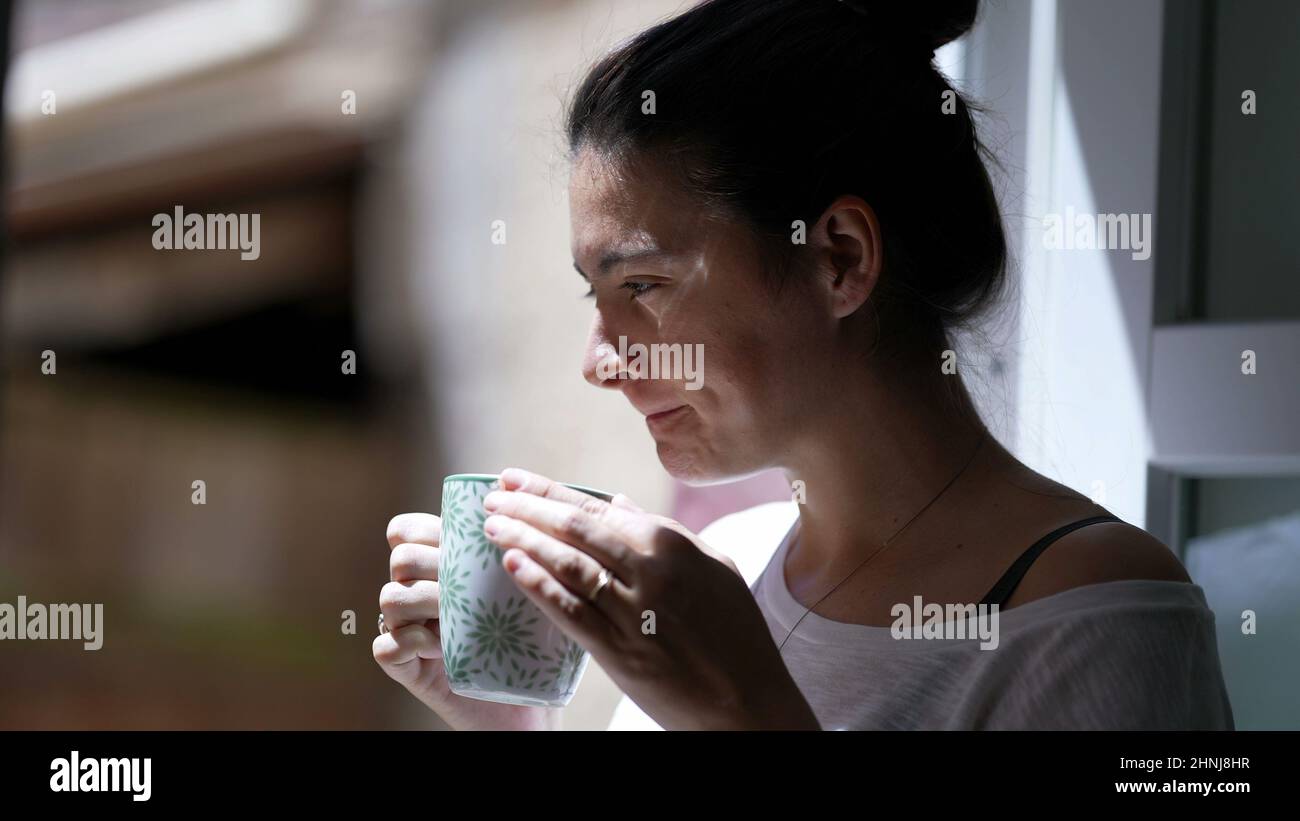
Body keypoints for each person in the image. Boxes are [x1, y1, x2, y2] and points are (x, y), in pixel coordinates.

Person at [373, 0, 1235, 730]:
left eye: (642, 283)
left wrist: (744, 708)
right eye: (593, 297)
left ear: (840, 259)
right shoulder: (726, 567)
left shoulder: (1101, 619)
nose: (600, 360)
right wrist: (502, 715)